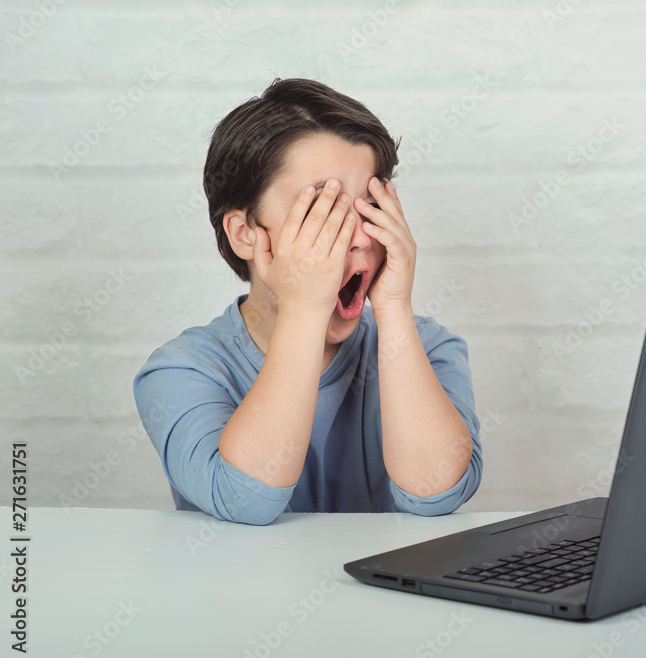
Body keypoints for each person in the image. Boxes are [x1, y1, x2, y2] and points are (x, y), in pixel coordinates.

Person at [132, 78, 482, 525]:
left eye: (370, 209)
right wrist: (303, 310)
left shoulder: (429, 348)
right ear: (245, 234)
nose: (358, 237)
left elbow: (436, 493)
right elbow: (245, 501)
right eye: (323, 211)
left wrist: (394, 307)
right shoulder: (182, 370)